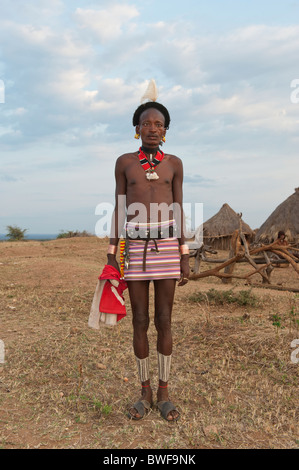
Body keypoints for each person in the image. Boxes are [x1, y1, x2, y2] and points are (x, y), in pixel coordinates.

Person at [106, 85, 189, 422]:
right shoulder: (125, 163)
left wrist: (184, 253)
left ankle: (164, 393)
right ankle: (143, 392)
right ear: (136, 128)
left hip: (168, 247)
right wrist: (112, 251)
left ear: (166, 131)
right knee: (140, 320)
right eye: (146, 123)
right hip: (135, 248)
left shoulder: (174, 165)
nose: (152, 128)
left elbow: (179, 207)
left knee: (164, 320)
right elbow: (119, 206)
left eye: (159, 124)